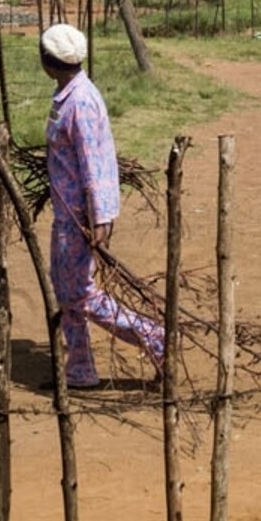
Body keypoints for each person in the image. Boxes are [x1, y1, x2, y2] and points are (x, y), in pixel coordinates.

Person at [40, 24, 167, 389]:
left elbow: (93, 164)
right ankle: (80, 369)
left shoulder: (80, 102)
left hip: (79, 216)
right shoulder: (68, 94)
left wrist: (100, 217)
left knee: (80, 294)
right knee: (66, 290)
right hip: (68, 212)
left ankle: (154, 337)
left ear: (48, 61)